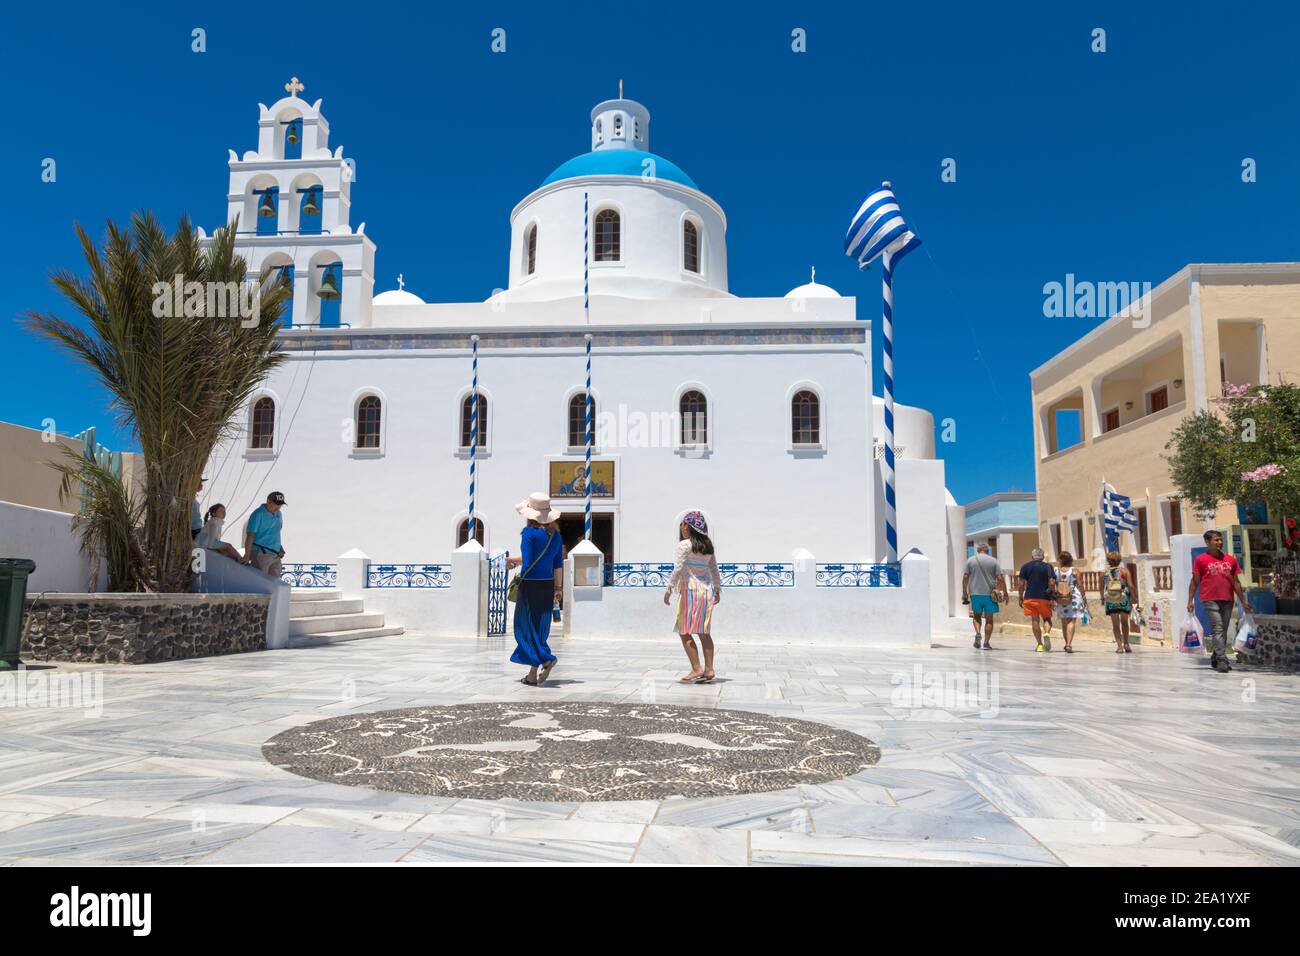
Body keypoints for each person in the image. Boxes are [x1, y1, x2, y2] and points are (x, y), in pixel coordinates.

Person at [506, 493, 564, 686]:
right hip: (548, 585)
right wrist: (558, 587)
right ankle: (532, 675)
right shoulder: (556, 536)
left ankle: (547, 659)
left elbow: (528, 561)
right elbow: (558, 564)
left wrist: (512, 561)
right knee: (538, 629)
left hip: (530, 585)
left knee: (524, 628)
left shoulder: (529, 534)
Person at [663, 511, 722, 683]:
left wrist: (668, 589)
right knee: (704, 631)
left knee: (684, 631)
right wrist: (717, 589)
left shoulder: (684, 545)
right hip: (706, 592)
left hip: (689, 592)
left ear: (687, 526)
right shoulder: (708, 546)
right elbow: (714, 569)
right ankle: (709, 670)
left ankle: (696, 668)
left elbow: (678, 569)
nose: (681, 528)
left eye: (682, 525)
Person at [1187, 529, 1254, 673]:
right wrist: (1190, 600)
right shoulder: (1201, 560)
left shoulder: (1230, 559)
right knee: (1218, 628)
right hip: (1210, 599)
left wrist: (1243, 601)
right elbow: (1194, 581)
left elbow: (1236, 582)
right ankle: (1222, 659)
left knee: (1222, 629)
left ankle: (1216, 656)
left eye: (1220, 539)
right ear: (1207, 542)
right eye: (1216, 540)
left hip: (1228, 599)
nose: (1220, 542)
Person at [962, 543, 1001, 650]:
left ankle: (978, 633)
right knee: (989, 619)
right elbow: (1000, 578)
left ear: (978, 551)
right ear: (987, 550)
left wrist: (964, 592)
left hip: (975, 593)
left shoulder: (970, 560)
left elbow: (965, 577)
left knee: (976, 616)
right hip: (990, 594)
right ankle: (986, 642)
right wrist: (1005, 592)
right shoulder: (994, 561)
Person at [1018, 548, 1056, 652]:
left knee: (1035, 620)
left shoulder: (1025, 567)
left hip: (1030, 597)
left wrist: (1020, 597)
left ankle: (1039, 645)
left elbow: (1021, 584)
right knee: (1047, 618)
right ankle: (1047, 633)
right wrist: (1052, 597)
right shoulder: (1048, 567)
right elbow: (1052, 583)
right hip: (1044, 597)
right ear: (1043, 557)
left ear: (1032, 556)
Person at [240, 491, 287, 578]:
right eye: (276, 504)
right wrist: (247, 555)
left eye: (280, 505)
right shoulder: (258, 514)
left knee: (275, 584)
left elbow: (275, 532)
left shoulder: (279, 514)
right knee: (261, 581)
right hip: (260, 554)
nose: (278, 507)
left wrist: (279, 547)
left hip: (275, 554)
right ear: (268, 502)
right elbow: (250, 535)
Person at [1054, 551, 1089, 654]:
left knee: (1064, 622)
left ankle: (1066, 643)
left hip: (1061, 598)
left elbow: (1052, 583)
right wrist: (1084, 597)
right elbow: (1080, 585)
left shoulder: (1056, 571)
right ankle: (1069, 644)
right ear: (1071, 560)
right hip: (1073, 597)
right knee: (1071, 621)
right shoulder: (1075, 571)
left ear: (1060, 560)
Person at [1102, 550, 1134, 653]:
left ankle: (1119, 646)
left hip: (1111, 599)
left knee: (1115, 624)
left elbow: (1101, 587)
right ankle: (1126, 644)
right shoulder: (1124, 571)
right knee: (1124, 622)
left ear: (1108, 560)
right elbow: (1131, 585)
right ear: (1119, 560)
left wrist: (1102, 599)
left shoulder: (1104, 573)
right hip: (1123, 597)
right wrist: (1134, 596)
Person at [191, 477, 206, 541]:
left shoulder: (193, 498)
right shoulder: (189, 499)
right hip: (195, 530)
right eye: (199, 483)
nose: (202, 485)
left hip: (198, 528)